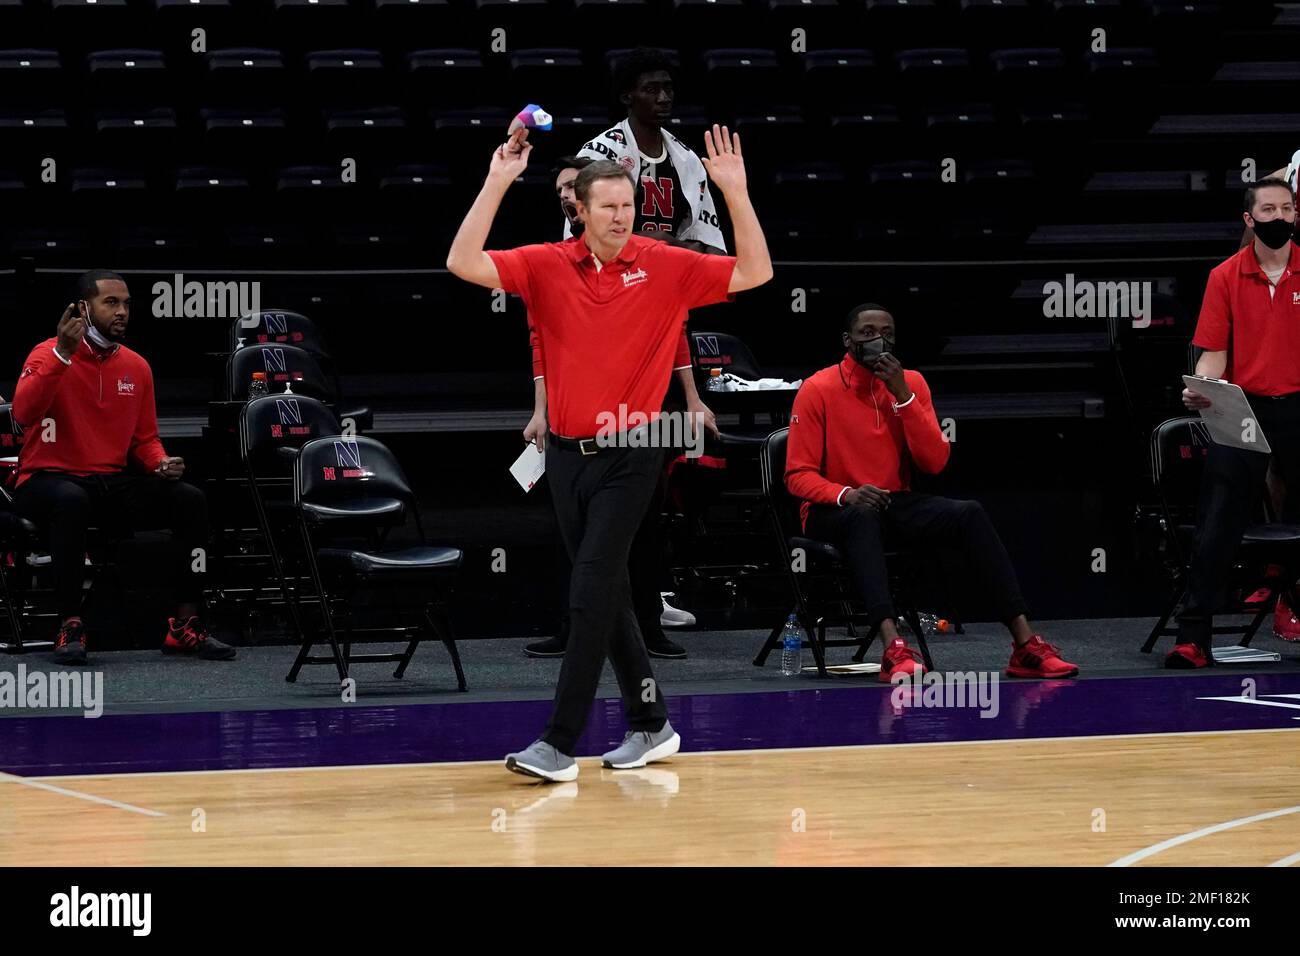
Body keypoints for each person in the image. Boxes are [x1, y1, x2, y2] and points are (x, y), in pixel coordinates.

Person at [447, 125, 771, 781]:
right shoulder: (544, 265)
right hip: (566, 457)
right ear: (582, 210)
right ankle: (651, 724)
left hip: (634, 452)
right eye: (609, 206)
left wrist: (734, 193)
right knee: (611, 594)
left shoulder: (666, 264)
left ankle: (558, 743)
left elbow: (756, 272)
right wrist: (497, 182)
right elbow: (462, 262)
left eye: (628, 205)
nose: (622, 216)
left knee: (590, 591)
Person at [784, 303, 1080, 681]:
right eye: (868, 332)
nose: (879, 340)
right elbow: (797, 475)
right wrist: (847, 493)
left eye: (886, 332)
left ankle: (1024, 645)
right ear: (848, 340)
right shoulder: (818, 389)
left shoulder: (912, 384)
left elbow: (935, 462)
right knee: (862, 517)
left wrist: (904, 397)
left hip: (892, 502)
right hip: (834, 509)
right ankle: (893, 649)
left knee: (969, 512)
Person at [523, 155, 715, 660]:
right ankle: (576, 628)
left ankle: (648, 628)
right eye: (561, 190)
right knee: (578, 533)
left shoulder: (650, 260)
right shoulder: (551, 264)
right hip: (574, 421)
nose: (565, 196)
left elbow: (676, 333)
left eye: (572, 187)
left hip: (641, 417)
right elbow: (541, 344)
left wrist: (693, 398)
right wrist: (540, 410)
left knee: (646, 520)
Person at [10, 270, 236, 664]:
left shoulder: (137, 367)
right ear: (83, 308)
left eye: (127, 303)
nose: (122, 312)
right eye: (110, 303)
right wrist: (63, 354)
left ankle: (185, 624)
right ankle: (69, 624)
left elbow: (145, 440)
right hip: (45, 480)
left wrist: (160, 463)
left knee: (190, 499)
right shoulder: (47, 354)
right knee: (71, 499)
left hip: (108, 482)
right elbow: (24, 413)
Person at [1174, 177, 1300, 667]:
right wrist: (1201, 387)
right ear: (1250, 220)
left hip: (1297, 404)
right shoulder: (1224, 276)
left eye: (1286, 209)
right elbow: (1212, 355)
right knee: (1218, 517)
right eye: (1267, 210)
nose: (1278, 218)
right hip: (1245, 408)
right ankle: (1193, 636)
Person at [567, 48, 726, 254]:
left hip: (672, 276)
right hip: (612, 276)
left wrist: (667, 244)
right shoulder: (599, 154)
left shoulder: (687, 160)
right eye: (651, 90)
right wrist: (665, 244)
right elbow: (587, 238)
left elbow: (714, 248)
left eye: (668, 89)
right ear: (627, 97)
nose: (663, 98)